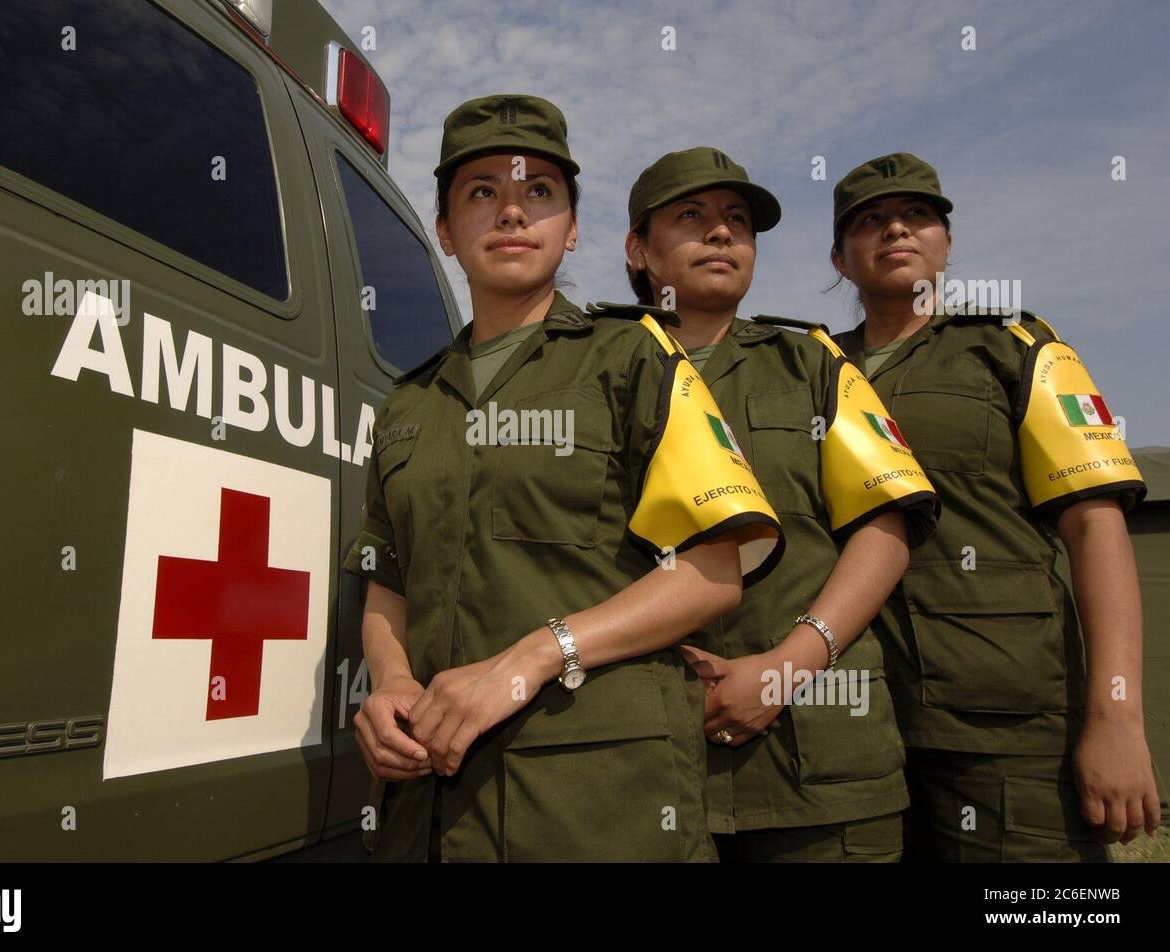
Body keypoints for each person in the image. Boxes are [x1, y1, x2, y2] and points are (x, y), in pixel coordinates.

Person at [341, 96, 783, 862]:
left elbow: (714, 571)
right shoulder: (407, 402)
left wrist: (530, 658)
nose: (512, 212)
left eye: (539, 192)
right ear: (444, 232)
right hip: (431, 810)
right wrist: (388, 683)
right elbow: (387, 577)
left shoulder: (633, 357)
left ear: (572, 229)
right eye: (482, 192)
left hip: (599, 805)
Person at [829, 151, 1161, 861]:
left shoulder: (1015, 347)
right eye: (870, 221)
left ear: (947, 243)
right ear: (840, 256)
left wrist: (1117, 714)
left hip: (1009, 716)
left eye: (917, 215)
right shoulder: (810, 366)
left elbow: (1094, 524)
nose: (896, 230)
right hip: (855, 721)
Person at [617, 147, 938, 861]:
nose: (723, 233)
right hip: (637, 770)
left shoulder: (814, 364)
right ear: (639, 249)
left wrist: (790, 663)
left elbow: (886, 528)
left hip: (816, 775)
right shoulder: (589, 366)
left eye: (738, 220)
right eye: (692, 217)